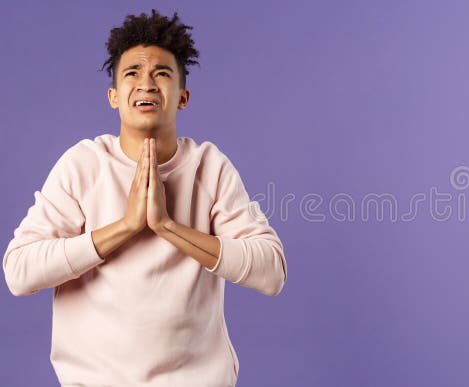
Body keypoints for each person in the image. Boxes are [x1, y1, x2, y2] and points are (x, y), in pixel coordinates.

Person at [2, 9, 287, 386]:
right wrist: (126, 227)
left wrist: (168, 227)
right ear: (114, 96)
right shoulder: (83, 165)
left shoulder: (209, 167)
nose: (147, 84)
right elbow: (19, 273)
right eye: (132, 73)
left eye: (162, 74)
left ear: (182, 97)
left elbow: (271, 272)